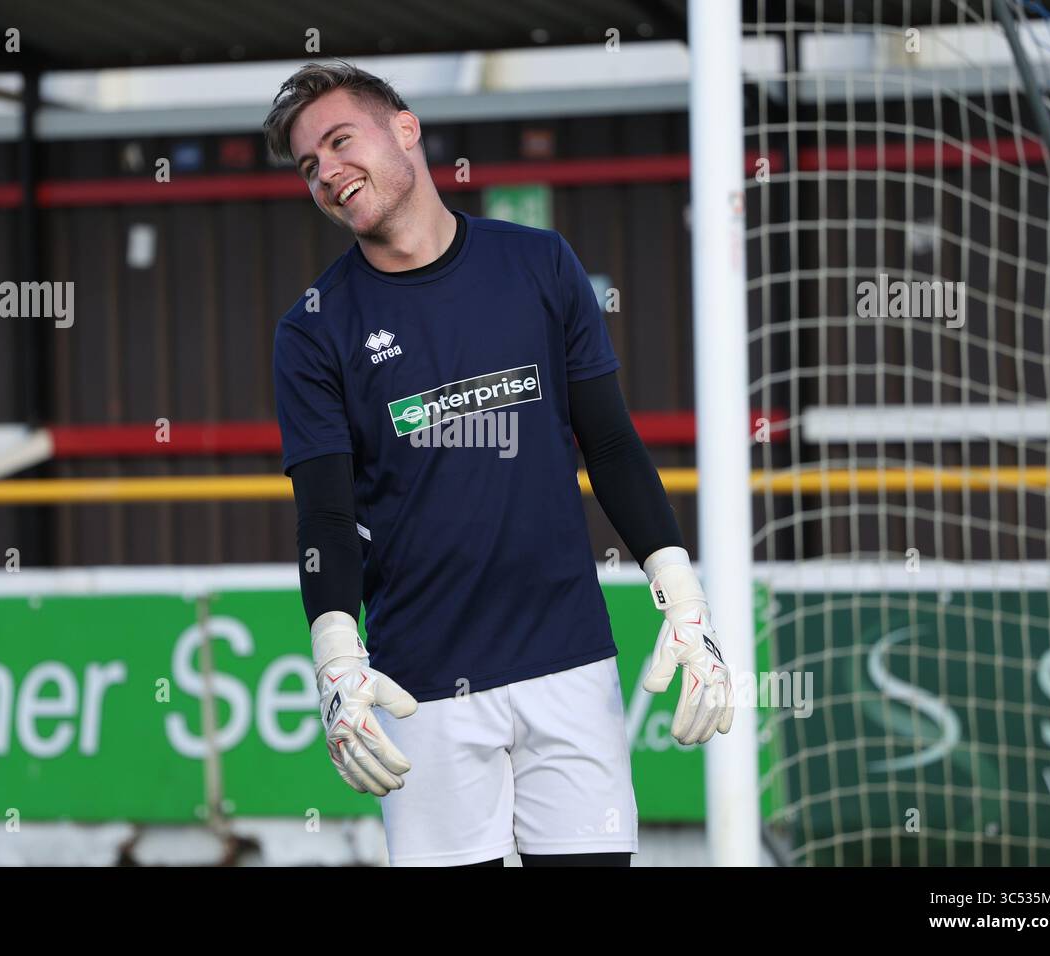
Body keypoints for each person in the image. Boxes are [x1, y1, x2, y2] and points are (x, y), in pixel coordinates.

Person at [266, 60, 733, 868]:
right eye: (310, 166)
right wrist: (338, 663)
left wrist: (685, 599)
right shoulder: (312, 330)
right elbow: (328, 518)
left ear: (404, 129)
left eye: (341, 142)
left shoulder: (540, 264)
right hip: (421, 685)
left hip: (569, 661)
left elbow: (612, 445)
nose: (328, 173)